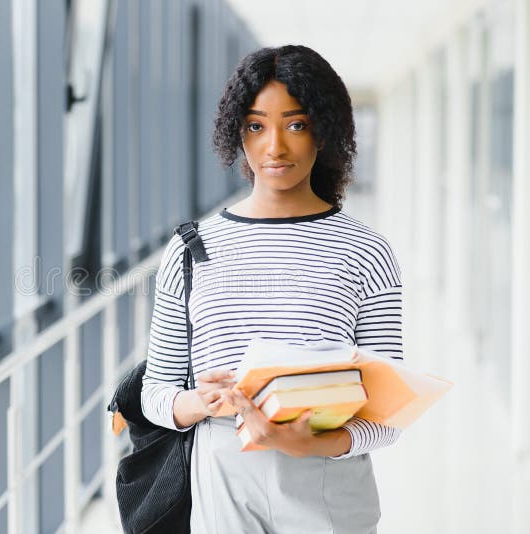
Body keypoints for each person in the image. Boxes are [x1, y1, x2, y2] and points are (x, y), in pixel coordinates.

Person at [140, 44, 403, 533]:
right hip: (223, 474)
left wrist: (311, 443)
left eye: (297, 125)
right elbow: (156, 392)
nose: (275, 147)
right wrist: (196, 402)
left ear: (324, 130)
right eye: (256, 126)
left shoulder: (366, 251)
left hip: (327, 479)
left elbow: (387, 415)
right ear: (237, 132)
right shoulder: (192, 248)